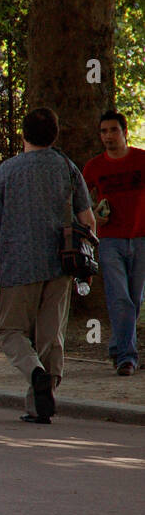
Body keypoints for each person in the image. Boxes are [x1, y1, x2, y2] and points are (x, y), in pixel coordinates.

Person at [0, 107, 96, 423]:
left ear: (23, 134)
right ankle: (42, 402)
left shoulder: (7, 171)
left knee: (10, 330)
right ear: (55, 135)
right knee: (50, 335)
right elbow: (87, 220)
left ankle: (34, 373)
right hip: (60, 263)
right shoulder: (67, 168)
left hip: (19, 264)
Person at [82, 110, 145, 376]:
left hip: (141, 237)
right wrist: (94, 215)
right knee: (120, 298)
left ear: (125, 132)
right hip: (110, 240)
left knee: (135, 298)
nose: (108, 136)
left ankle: (117, 346)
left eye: (113, 130)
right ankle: (127, 358)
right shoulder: (94, 167)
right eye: (103, 131)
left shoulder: (141, 159)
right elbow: (81, 202)